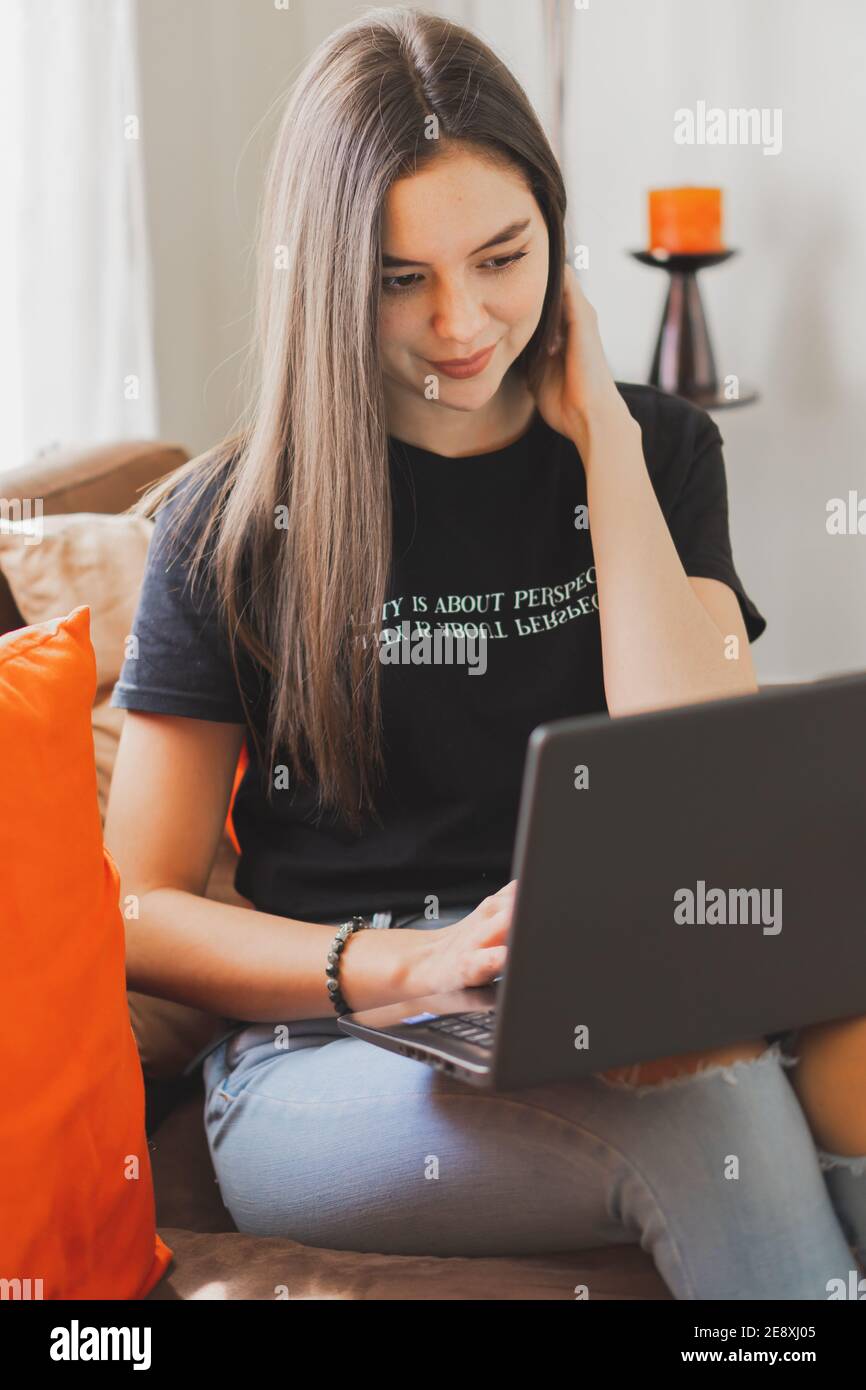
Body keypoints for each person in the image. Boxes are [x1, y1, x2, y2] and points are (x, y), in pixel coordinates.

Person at [105, 6, 866, 1299]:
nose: (460, 322)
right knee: (705, 1109)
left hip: (622, 999)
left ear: (557, 241)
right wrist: (408, 964)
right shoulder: (231, 526)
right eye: (399, 279)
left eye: (502, 257)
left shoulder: (659, 451)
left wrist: (601, 440)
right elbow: (137, 907)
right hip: (334, 1050)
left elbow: (689, 758)